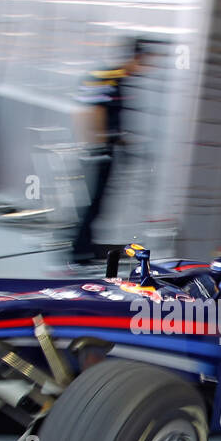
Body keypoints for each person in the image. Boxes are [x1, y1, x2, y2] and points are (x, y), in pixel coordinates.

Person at [67, 38, 151, 269]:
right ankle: (79, 252)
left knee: (99, 203)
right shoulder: (108, 77)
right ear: (135, 58)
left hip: (107, 149)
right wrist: (98, 145)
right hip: (100, 152)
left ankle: (85, 246)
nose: (145, 67)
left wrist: (122, 140)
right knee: (93, 202)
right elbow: (91, 111)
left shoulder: (118, 79)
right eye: (144, 61)